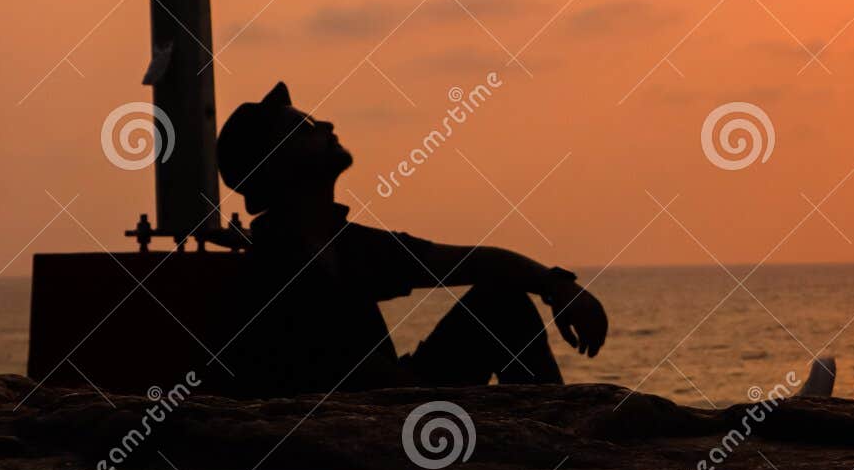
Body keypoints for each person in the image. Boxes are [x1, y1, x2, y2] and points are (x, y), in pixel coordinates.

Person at [213, 82, 608, 395]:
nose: (328, 127)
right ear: (277, 165)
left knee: (502, 301)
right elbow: (343, 372)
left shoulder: (346, 242)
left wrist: (556, 285)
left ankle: (553, 433)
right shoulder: (274, 263)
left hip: (395, 402)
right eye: (306, 128)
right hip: (364, 416)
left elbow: (473, 263)